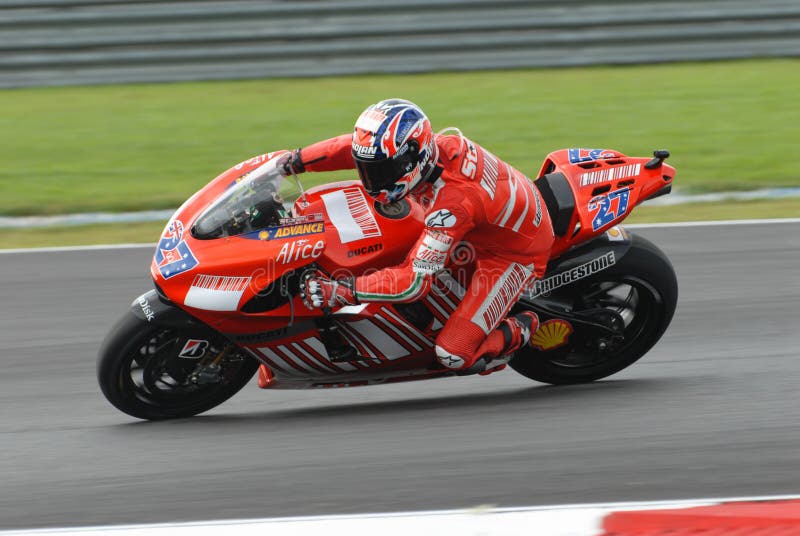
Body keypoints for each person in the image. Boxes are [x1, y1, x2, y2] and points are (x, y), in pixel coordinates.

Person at [286, 98, 554, 373]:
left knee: (454, 354)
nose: (371, 179)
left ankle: (523, 326)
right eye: (368, 168)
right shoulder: (426, 151)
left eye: (381, 171)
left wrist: (345, 291)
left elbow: (413, 283)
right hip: (488, 218)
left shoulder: (452, 205)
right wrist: (293, 160)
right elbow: (348, 148)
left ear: (412, 158)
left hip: (513, 253)